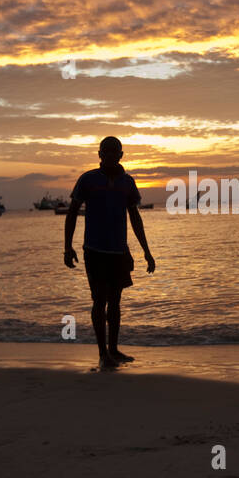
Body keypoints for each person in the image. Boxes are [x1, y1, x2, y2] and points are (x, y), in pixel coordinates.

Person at [63, 136, 155, 369]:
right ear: (100, 154)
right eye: (107, 151)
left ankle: (113, 349)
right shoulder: (88, 179)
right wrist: (67, 246)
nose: (111, 155)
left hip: (118, 252)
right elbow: (72, 212)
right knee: (99, 300)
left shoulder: (127, 182)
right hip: (94, 250)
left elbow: (134, 217)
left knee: (115, 302)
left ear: (121, 155)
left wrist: (146, 251)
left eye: (115, 151)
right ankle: (103, 353)